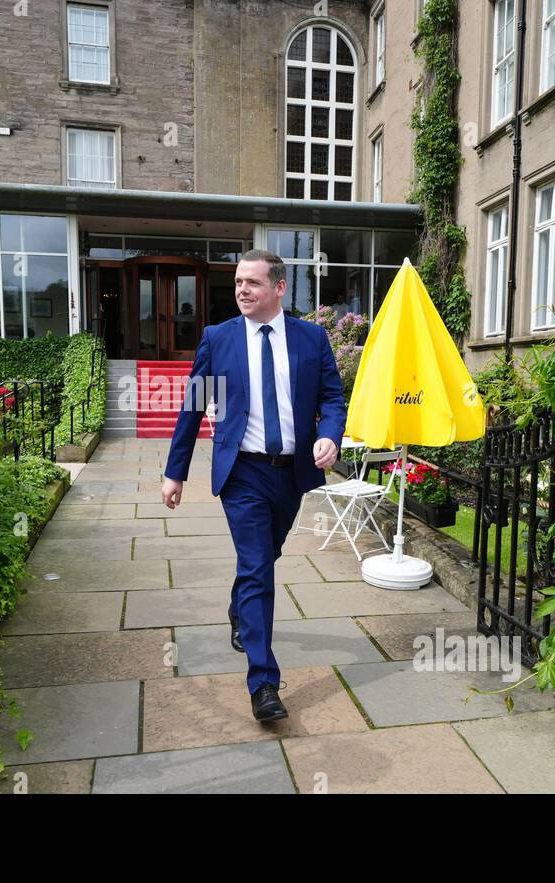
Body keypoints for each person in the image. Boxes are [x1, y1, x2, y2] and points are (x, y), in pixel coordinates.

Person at [161, 248, 346, 722]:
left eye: (253, 283)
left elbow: (331, 396)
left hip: (292, 474)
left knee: (264, 557)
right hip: (242, 472)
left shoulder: (311, 338)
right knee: (260, 566)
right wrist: (174, 471)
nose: (242, 289)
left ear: (279, 288)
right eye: (239, 282)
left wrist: (329, 436)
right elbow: (194, 407)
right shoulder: (219, 339)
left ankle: (239, 605)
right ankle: (263, 683)